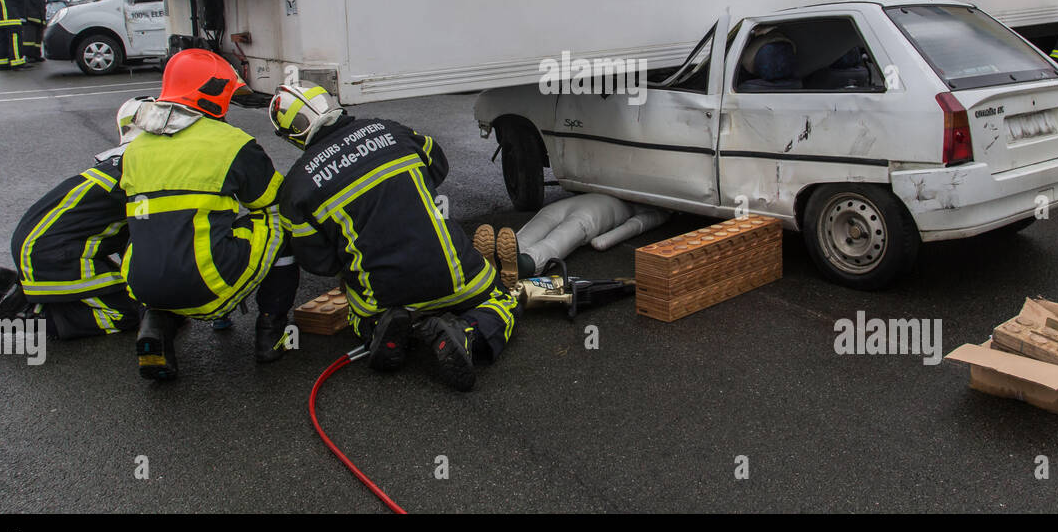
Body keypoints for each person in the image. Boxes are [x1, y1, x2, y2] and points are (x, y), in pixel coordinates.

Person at [269, 81, 518, 391]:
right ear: (330, 104)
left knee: (358, 313)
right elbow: (438, 166)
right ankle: (467, 333)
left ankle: (382, 331)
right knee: (502, 302)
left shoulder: (296, 188)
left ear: (291, 135)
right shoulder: (390, 130)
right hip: (454, 276)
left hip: (383, 296)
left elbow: (319, 262)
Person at [121, 49, 299, 380]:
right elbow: (273, 199)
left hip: (140, 283)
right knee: (280, 222)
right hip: (206, 282)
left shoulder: (136, 146)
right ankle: (272, 332)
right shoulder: (232, 143)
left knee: (158, 229)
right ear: (214, 92)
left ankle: (156, 327)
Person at [0, 99, 147, 338]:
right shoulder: (141, 169)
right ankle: (21, 315)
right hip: (53, 253)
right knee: (123, 314)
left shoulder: (116, 160)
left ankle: (19, 292)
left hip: (44, 245)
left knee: (126, 291)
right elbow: (143, 239)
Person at [475, 193, 669, 286]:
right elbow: (633, 228)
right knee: (555, 242)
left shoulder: (615, 182)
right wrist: (603, 239)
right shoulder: (657, 209)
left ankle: (500, 257)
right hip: (591, 216)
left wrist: (603, 240)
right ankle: (524, 263)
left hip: (572, 203)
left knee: (532, 231)